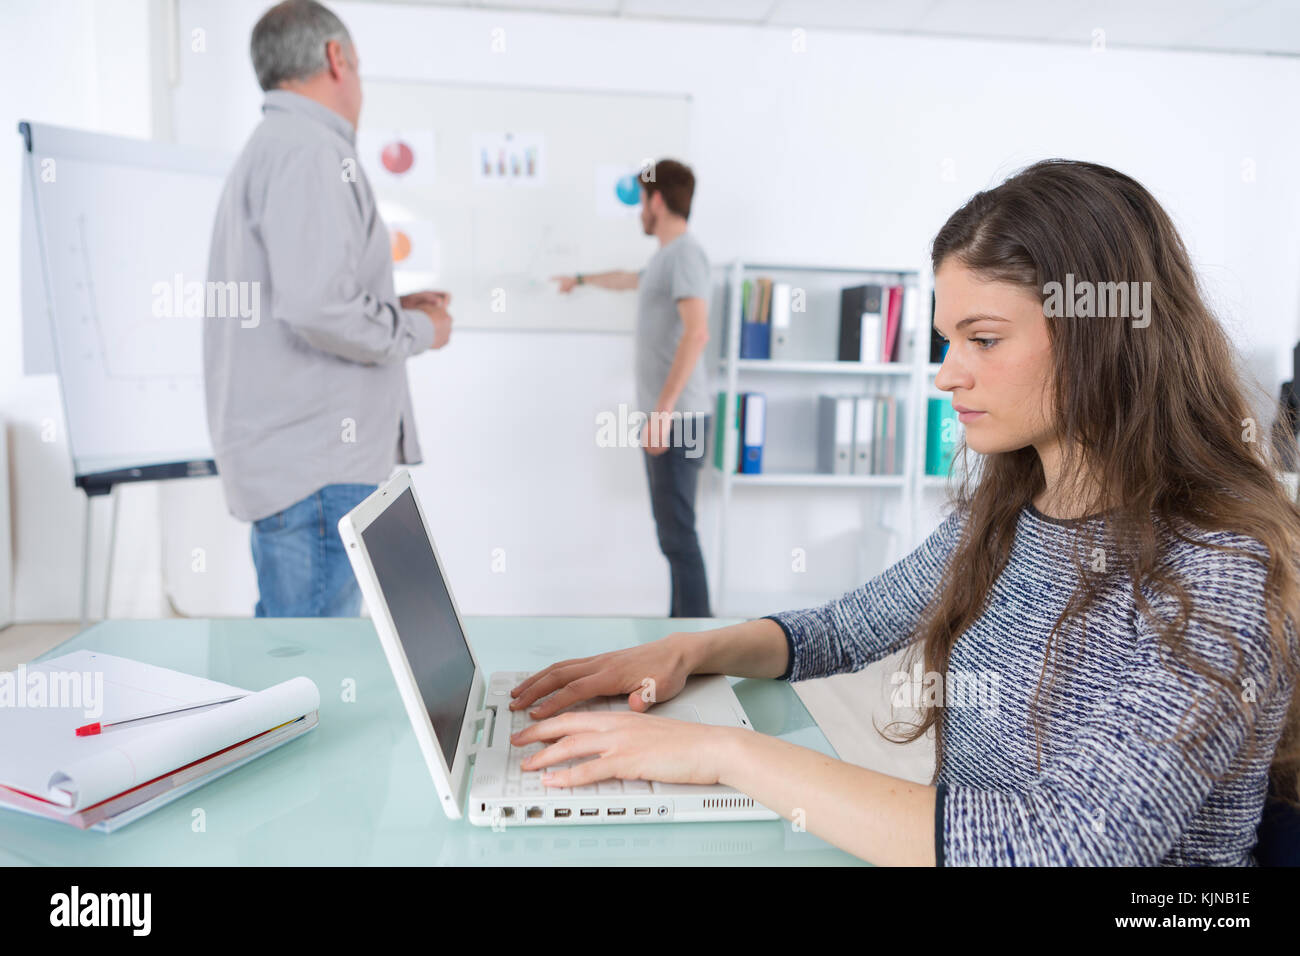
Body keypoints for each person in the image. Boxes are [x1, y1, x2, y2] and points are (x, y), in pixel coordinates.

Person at [509, 158, 1300, 866]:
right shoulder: (1009, 512)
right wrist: (693, 650)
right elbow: (839, 631)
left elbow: (1065, 843)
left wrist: (725, 755)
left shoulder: (1221, 566)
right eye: (947, 340)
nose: (947, 375)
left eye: (983, 339)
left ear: (1103, 334)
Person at [204, 0, 452, 617]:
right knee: (310, 671)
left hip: (304, 466)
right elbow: (317, 308)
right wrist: (421, 328)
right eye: (359, 67)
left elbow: (304, 295)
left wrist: (390, 306)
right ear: (335, 58)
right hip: (316, 470)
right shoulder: (310, 150)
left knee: (293, 661)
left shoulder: (281, 144)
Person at [552, 159, 713, 617]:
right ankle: (685, 637)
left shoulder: (684, 254)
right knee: (673, 537)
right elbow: (629, 279)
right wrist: (580, 279)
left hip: (677, 418)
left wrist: (662, 412)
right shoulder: (666, 258)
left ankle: (696, 643)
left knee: (678, 537)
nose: (640, 210)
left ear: (656, 201)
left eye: (642, 201)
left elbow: (696, 332)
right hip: (672, 417)